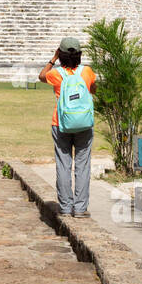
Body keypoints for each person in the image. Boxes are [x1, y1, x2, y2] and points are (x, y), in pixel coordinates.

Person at [38, 36, 98, 218]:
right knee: (83, 166)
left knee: (63, 165)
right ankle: (80, 208)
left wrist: (52, 59)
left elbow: (41, 76)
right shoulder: (86, 72)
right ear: (79, 54)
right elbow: (93, 89)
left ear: (61, 54)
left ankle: (65, 207)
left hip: (61, 123)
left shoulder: (57, 74)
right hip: (84, 125)